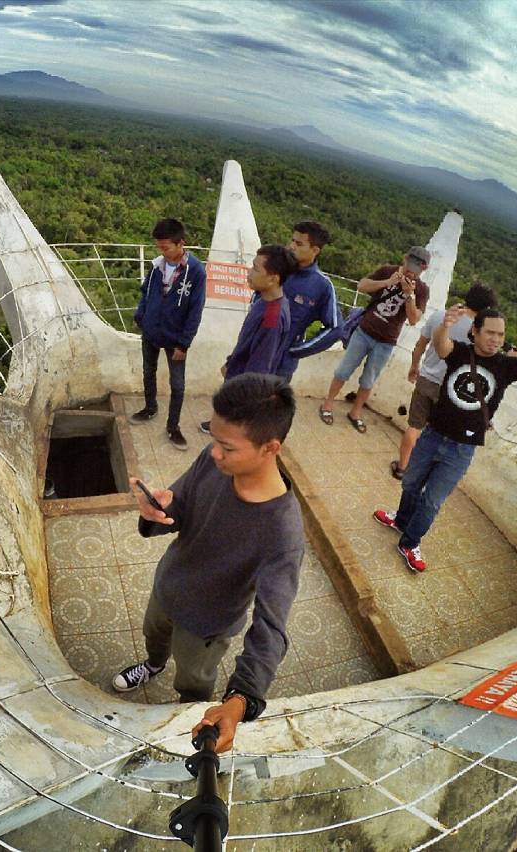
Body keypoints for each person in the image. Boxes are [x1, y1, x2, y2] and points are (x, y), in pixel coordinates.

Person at [113, 373, 304, 755]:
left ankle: (188, 715)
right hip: (167, 587)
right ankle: (152, 665)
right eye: (214, 440)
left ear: (270, 448)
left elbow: (271, 628)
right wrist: (158, 511)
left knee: (194, 683)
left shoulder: (282, 533)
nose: (215, 453)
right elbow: (179, 508)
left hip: (207, 627)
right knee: (155, 638)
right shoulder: (213, 461)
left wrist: (240, 699)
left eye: (227, 447)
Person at [373, 305, 517, 572]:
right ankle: (401, 521)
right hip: (432, 435)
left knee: (432, 501)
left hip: (461, 450)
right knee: (412, 482)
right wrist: (444, 325)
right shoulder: (460, 352)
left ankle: (410, 542)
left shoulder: (506, 367)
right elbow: (441, 347)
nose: (496, 339)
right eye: (490, 333)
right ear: (475, 331)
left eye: (501, 334)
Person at [390, 283, 499, 478]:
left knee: (414, 426)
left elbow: (420, 346)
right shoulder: (480, 333)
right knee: (438, 435)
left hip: (427, 379)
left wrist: (414, 367)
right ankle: (422, 473)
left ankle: (402, 467)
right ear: (486, 308)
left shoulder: (441, 316)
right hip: (452, 391)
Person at [319, 246, 430, 433]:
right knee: (343, 370)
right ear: (405, 258)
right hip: (364, 331)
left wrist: (409, 295)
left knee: (368, 380)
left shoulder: (421, 290)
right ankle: (327, 405)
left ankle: (355, 413)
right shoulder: (388, 271)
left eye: (418, 266)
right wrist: (387, 282)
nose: (413, 268)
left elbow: (413, 319)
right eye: (411, 262)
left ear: (424, 269)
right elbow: (361, 285)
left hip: (387, 341)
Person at [198, 245, 295, 433]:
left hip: (244, 388)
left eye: (256, 269)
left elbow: (259, 368)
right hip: (237, 374)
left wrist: (242, 398)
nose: (249, 273)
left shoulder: (272, 318)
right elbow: (248, 341)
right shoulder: (265, 299)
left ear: (273, 279)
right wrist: (230, 362)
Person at [131, 218, 206, 451]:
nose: (161, 252)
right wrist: (141, 315)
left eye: (165, 247)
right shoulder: (157, 266)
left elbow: (195, 310)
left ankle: (173, 426)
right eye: (158, 247)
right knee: (148, 371)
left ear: (180, 243)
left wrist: (184, 344)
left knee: (178, 384)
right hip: (151, 331)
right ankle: (150, 407)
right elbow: (146, 292)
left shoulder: (195, 271)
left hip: (176, 339)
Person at [278, 220, 341, 381]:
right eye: (292, 240)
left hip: (280, 365)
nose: (292, 246)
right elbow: (256, 297)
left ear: (315, 250)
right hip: (253, 352)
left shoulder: (322, 286)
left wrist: (297, 350)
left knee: (268, 405)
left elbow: (335, 328)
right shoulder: (278, 267)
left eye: (299, 244)